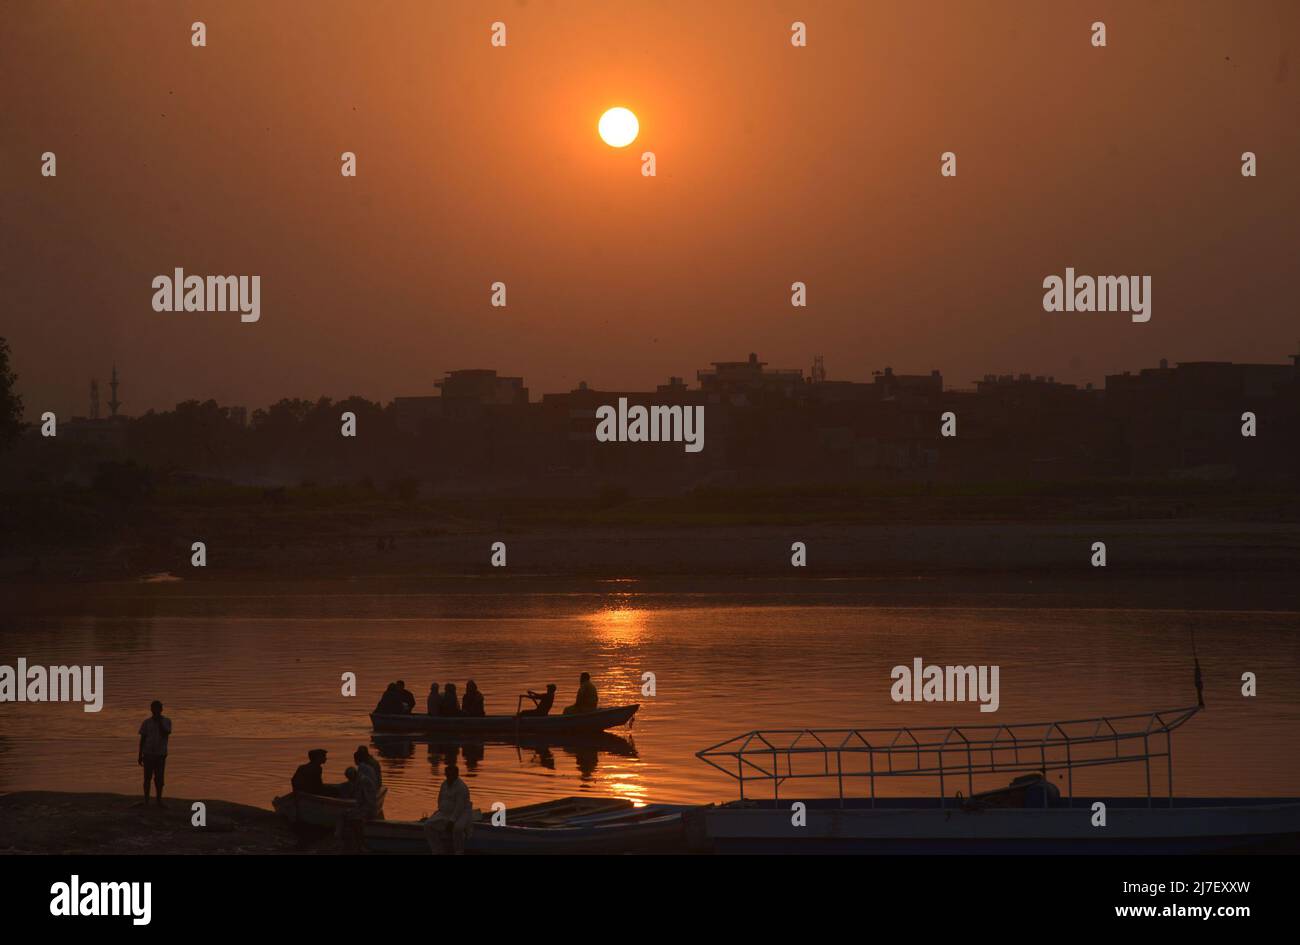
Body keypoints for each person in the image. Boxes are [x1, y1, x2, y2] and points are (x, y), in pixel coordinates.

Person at [422, 763, 473, 855]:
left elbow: (459, 807)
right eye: (447, 774)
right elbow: (440, 799)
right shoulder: (444, 784)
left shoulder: (461, 787)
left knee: (457, 828)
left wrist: (452, 821)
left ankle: (459, 851)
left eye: (450, 775)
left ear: (456, 775)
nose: (448, 777)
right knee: (428, 825)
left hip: (463, 813)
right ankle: (437, 850)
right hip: (445, 812)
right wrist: (439, 812)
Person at [137, 700, 172, 807]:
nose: (156, 711)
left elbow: (166, 732)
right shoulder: (146, 722)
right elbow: (142, 739)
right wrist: (140, 755)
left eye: (158, 708)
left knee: (159, 778)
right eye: (154, 708)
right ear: (151, 710)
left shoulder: (166, 721)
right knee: (147, 778)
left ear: (161, 710)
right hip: (148, 753)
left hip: (160, 754)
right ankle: (146, 800)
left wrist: (159, 722)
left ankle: (158, 800)